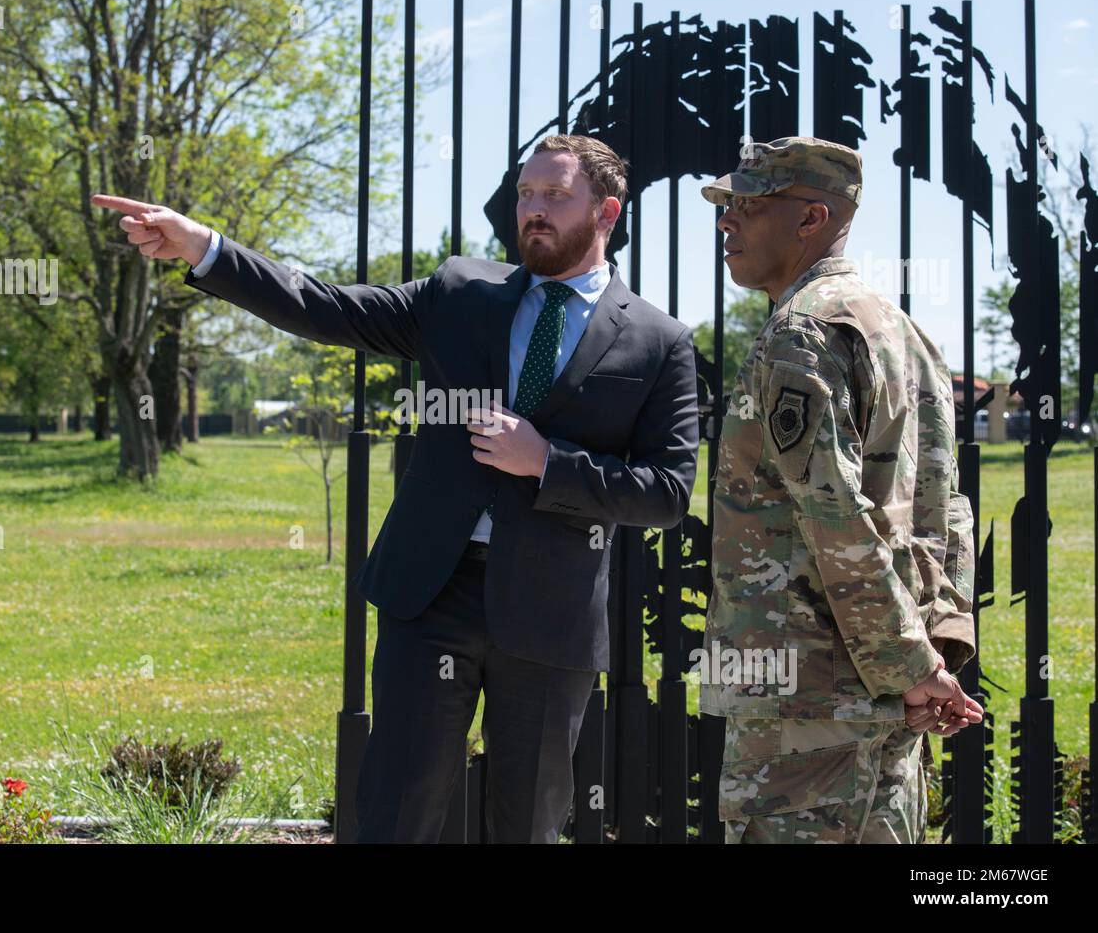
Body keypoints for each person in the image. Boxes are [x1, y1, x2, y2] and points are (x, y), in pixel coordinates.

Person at [93, 133, 700, 843]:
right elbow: (325, 308)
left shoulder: (659, 343)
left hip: (550, 616)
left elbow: (665, 491)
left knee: (526, 823)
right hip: (431, 594)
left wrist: (544, 462)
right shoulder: (457, 294)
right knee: (395, 812)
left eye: (554, 196)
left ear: (607, 212)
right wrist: (206, 249)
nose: (532, 210)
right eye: (525, 194)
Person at [698, 135, 984, 844]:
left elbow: (836, 516)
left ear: (812, 219)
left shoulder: (801, 332)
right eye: (727, 206)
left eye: (748, 204)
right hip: (880, 703)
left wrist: (913, 666)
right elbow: (947, 509)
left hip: (808, 711)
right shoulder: (904, 332)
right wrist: (935, 652)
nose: (726, 221)